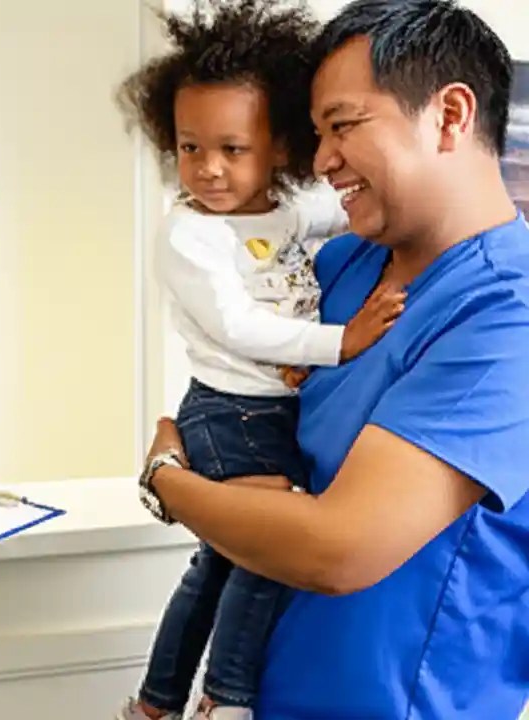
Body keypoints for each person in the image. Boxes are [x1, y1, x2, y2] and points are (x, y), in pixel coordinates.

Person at [137, 0, 529, 718]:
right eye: (316, 134)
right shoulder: (345, 265)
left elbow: (338, 549)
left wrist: (168, 480)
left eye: (344, 125)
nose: (321, 161)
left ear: (449, 115)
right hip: (263, 695)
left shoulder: (510, 312)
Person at [113, 1, 401, 718]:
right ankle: (227, 697)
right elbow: (240, 327)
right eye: (189, 148)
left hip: (265, 408)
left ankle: (155, 702)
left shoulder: (285, 211)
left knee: (216, 567)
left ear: (279, 147)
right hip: (226, 411)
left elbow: (350, 210)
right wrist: (342, 342)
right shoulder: (187, 236)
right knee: (270, 549)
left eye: (232, 148)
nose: (207, 169)